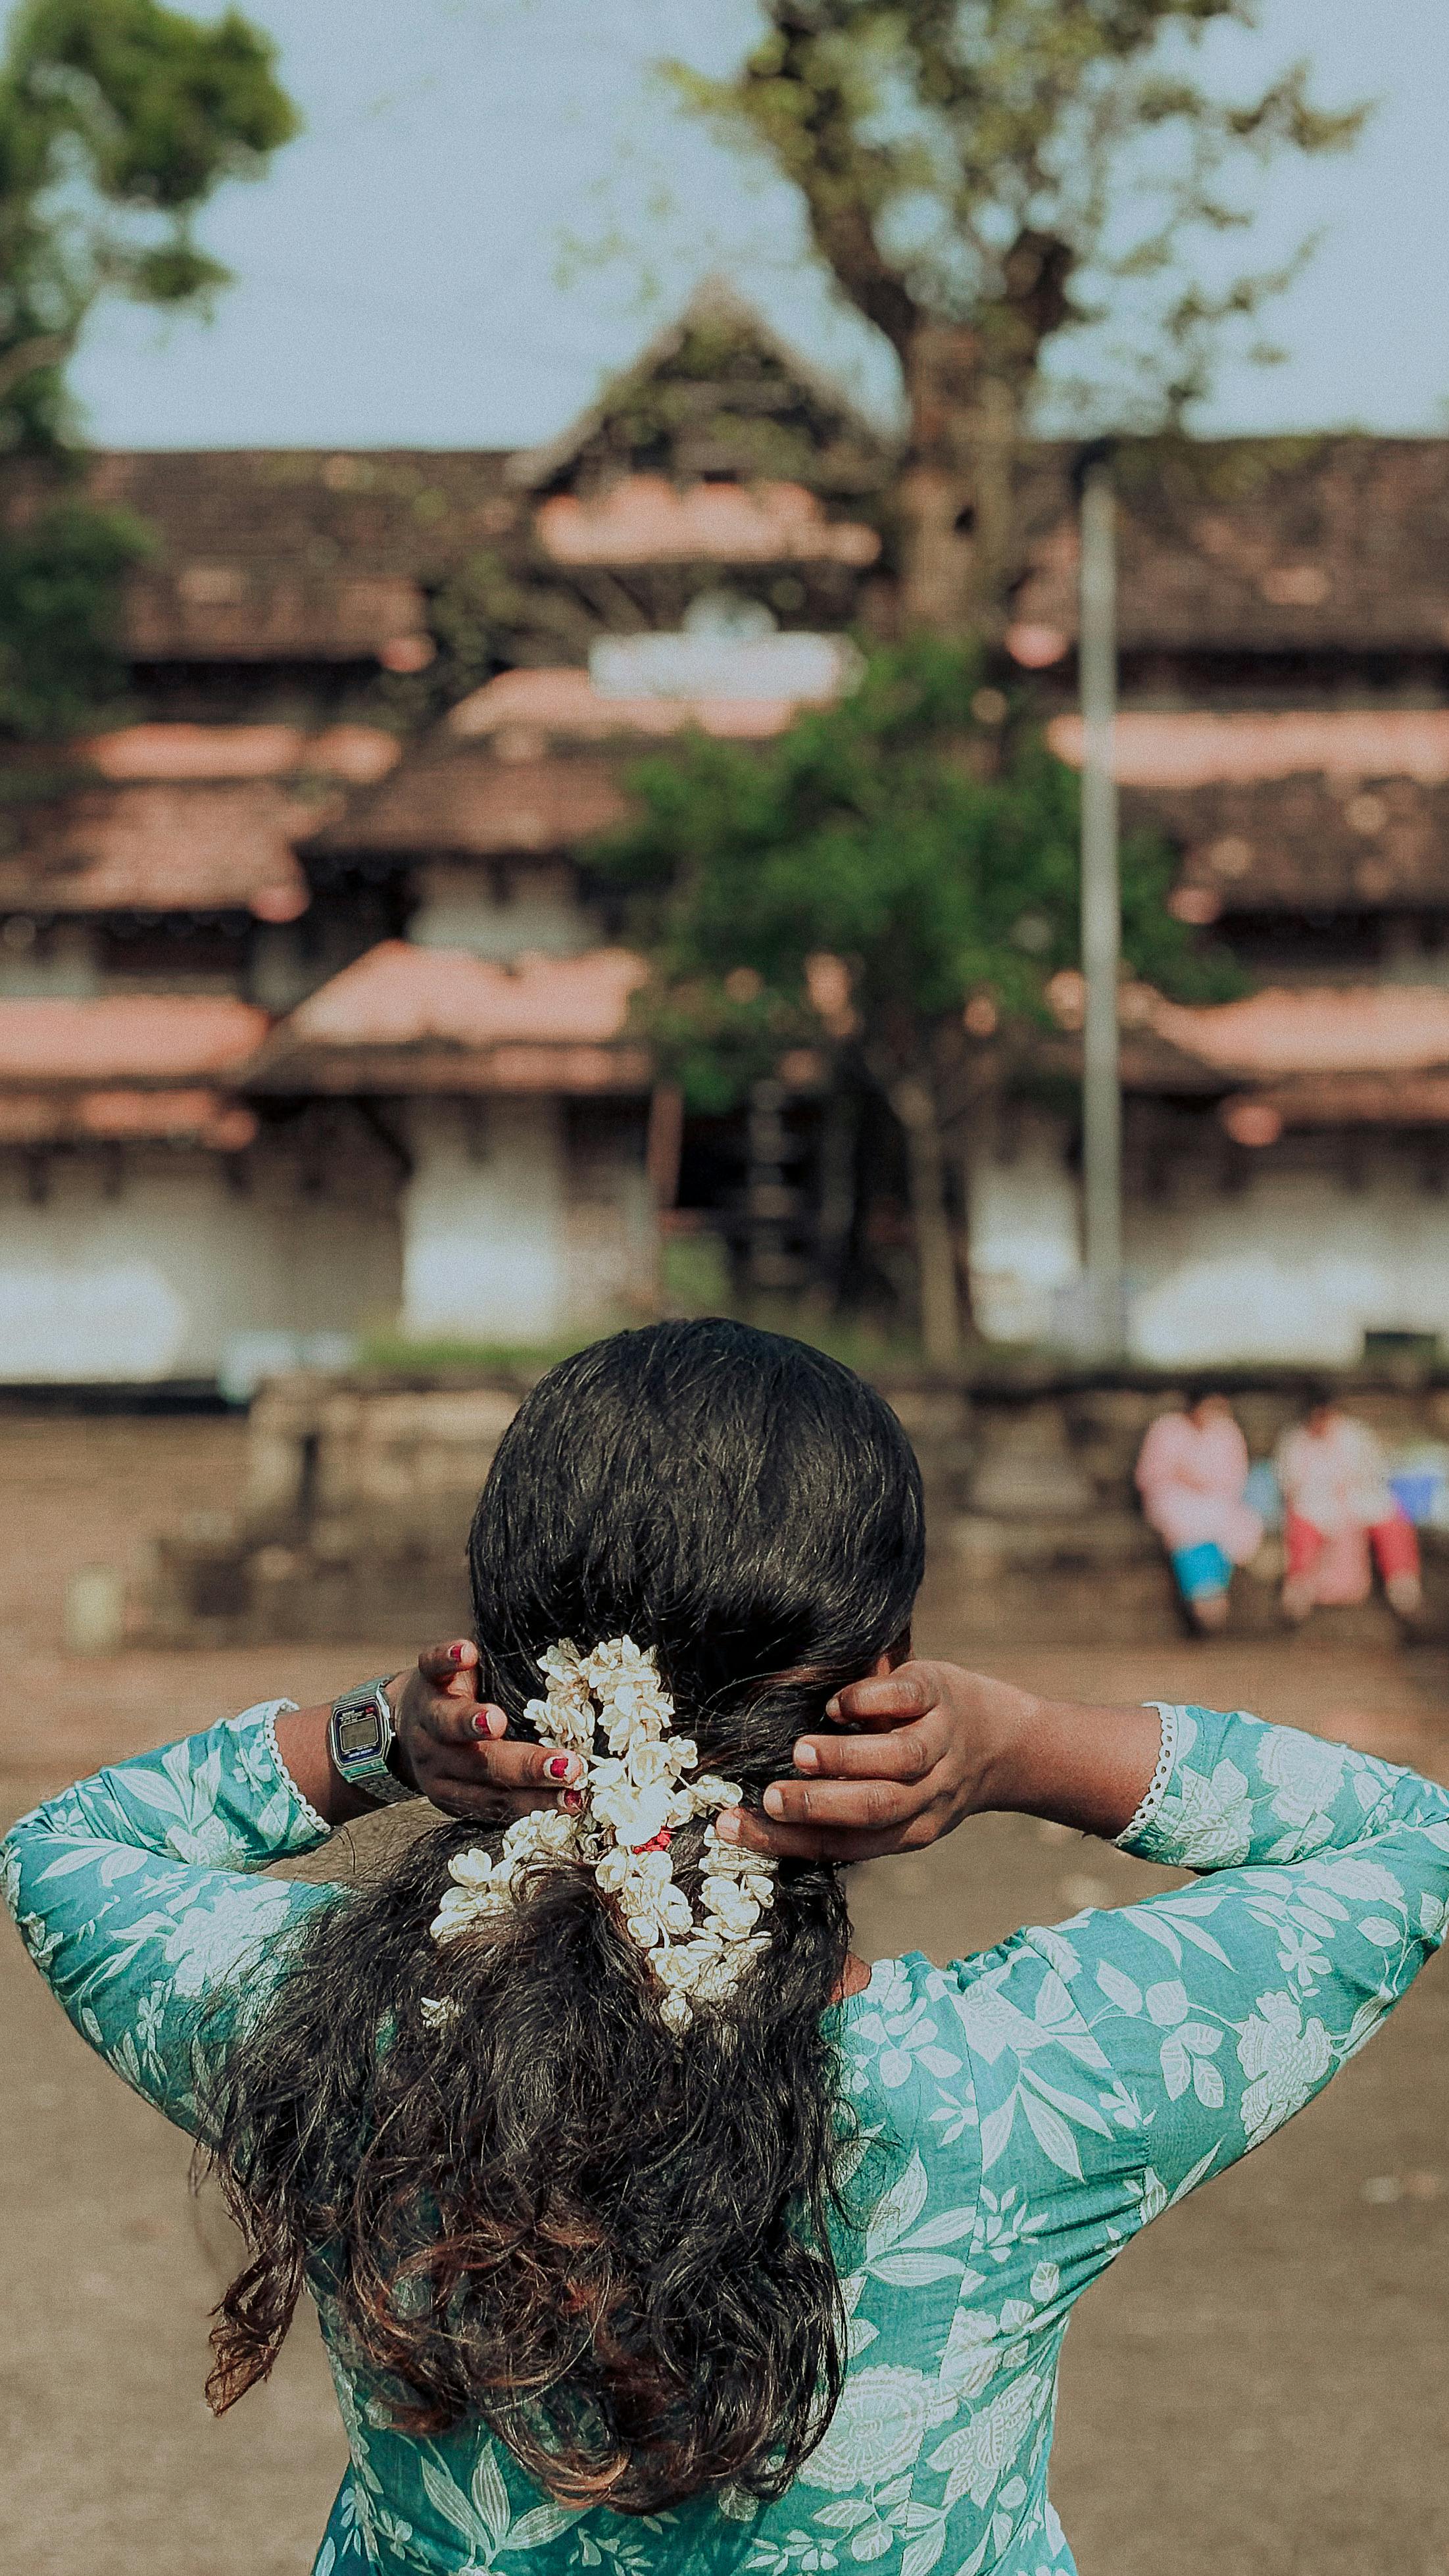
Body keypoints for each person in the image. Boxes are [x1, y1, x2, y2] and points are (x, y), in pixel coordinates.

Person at [7, 1317, 1449, 2576]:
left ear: (507, 1678)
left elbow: (63, 1851)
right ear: (879, 1684)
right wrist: (1021, 1745)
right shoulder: (1019, 2087)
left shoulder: (338, 2032)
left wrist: (374, 1735)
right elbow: (1404, 1840)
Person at [1275, 1392, 1423, 1623]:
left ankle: (1403, 1589)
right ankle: (1298, 1595)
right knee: (1301, 1530)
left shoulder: (1356, 1435)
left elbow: (1374, 1472)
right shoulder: (1295, 1440)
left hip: (1360, 1499)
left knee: (1393, 1524)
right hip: (1316, 1505)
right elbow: (1290, 1483)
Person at [1135, 1390, 1264, 1631]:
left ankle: (1213, 1592)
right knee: (1187, 1529)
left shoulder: (1227, 1431)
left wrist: (1209, 1485)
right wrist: (1185, 1478)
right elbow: (1150, 1474)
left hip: (1217, 1500)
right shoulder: (1167, 1429)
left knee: (1233, 1526)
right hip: (1175, 1499)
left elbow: (1237, 1475)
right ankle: (1202, 1596)